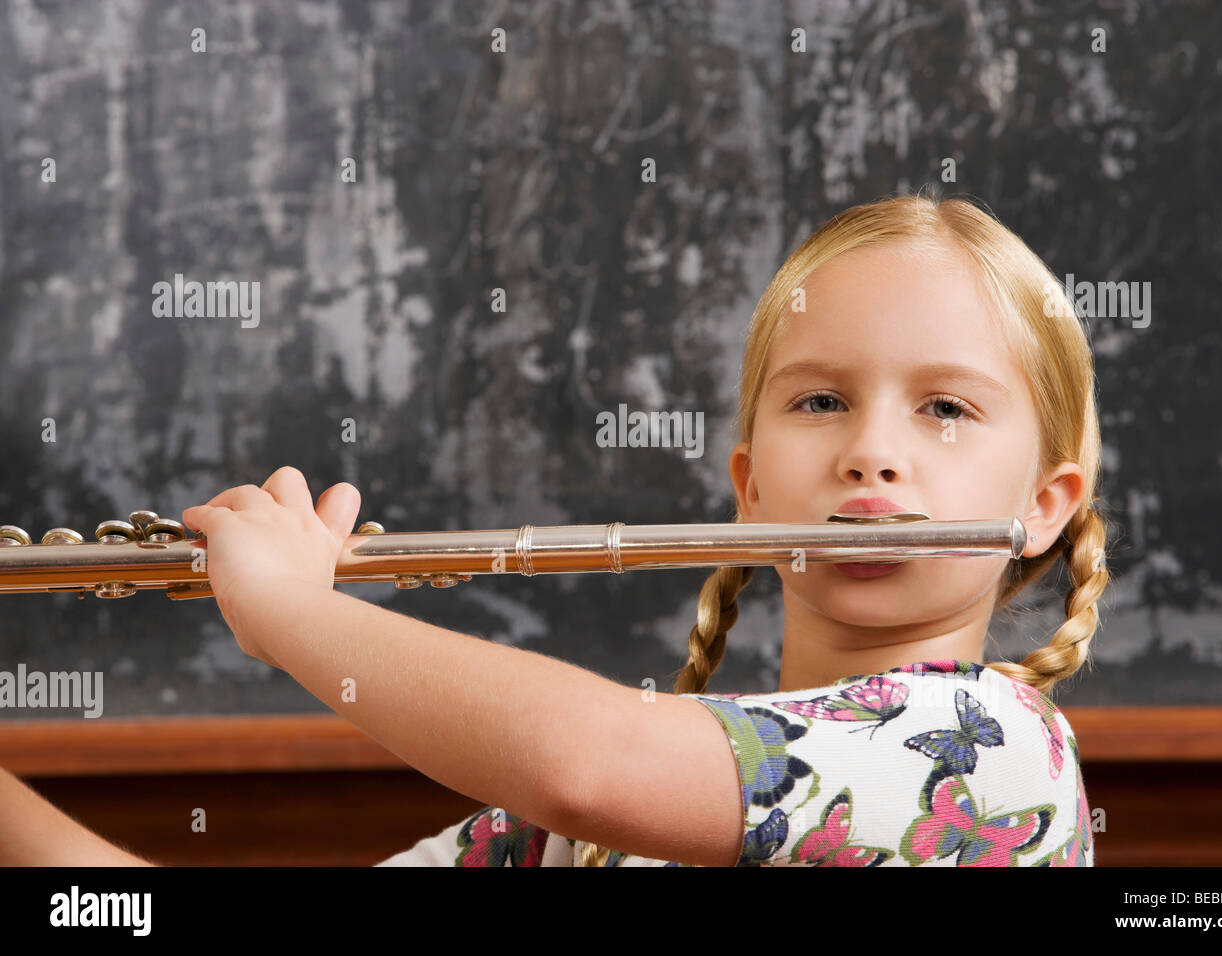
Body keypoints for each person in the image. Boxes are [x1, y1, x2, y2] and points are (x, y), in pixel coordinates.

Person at [0, 188, 1108, 867]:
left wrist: (288, 609)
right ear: (752, 485)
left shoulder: (996, 753)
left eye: (946, 408)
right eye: (819, 401)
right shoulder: (608, 823)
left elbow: (585, 758)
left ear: (1042, 510)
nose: (871, 449)